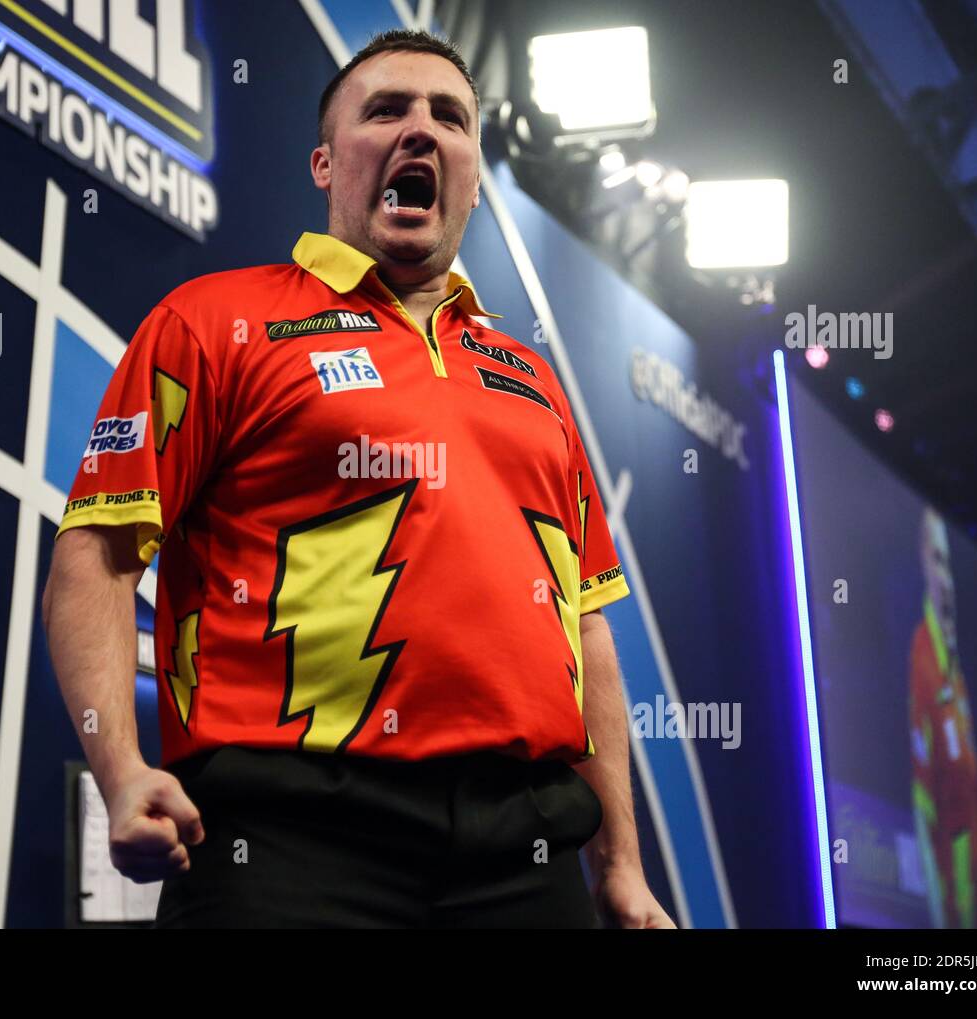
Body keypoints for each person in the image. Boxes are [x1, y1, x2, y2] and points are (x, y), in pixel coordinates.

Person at [42, 28, 673, 929]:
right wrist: (122, 768)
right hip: (285, 840)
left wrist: (622, 863)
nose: (422, 130)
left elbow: (587, 627)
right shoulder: (212, 323)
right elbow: (97, 558)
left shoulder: (532, 379)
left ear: (476, 176)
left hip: (524, 853)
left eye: (450, 117)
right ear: (326, 162)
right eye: (387, 110)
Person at [908, 507, 977, 927]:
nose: (948, 582)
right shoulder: (922, 662)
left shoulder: (955, 669)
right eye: (938, 562)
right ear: (923, 564)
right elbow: (923, 809)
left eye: (950, 566)